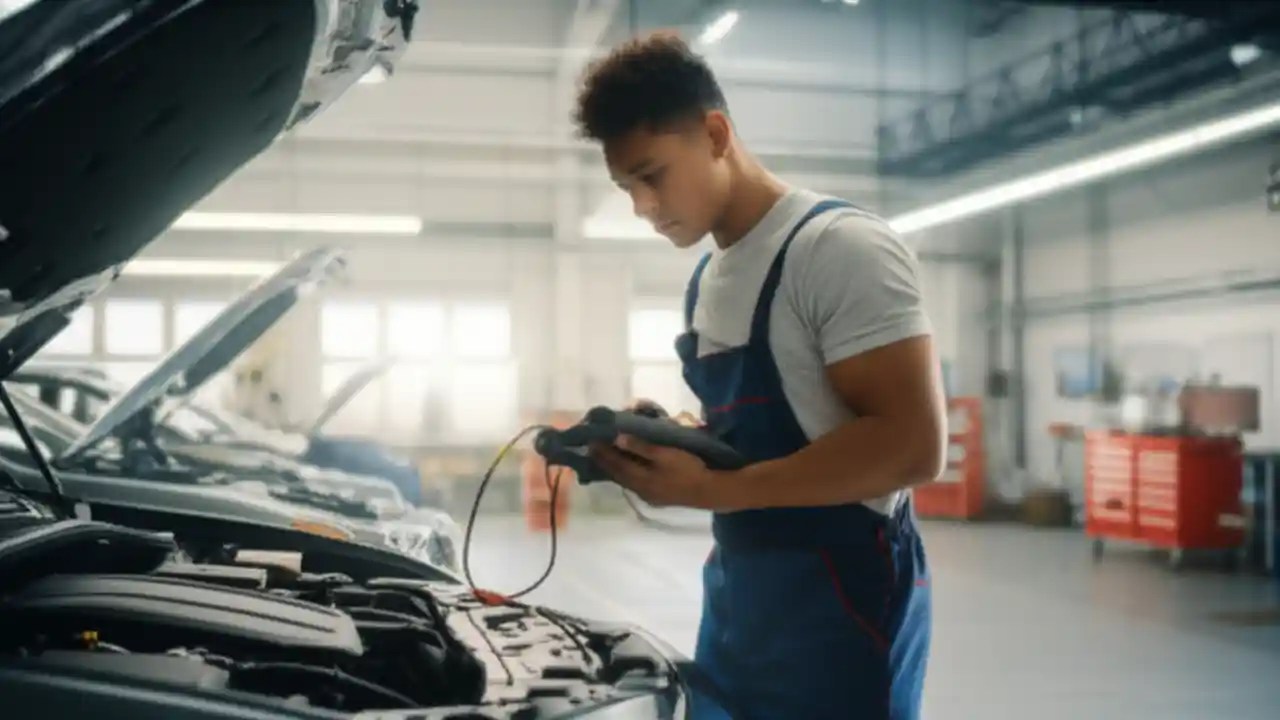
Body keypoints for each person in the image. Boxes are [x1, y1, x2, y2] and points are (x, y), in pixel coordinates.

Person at [574, 32, 946, 720]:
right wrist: (677, 444)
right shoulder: (710, 280)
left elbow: (912, 447)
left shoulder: (839, 249)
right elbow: (765, 430)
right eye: (626, 187)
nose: (642, 207)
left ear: (716, 134)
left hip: (843, 604)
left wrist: (716, 488)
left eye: (652, 175)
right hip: (742, 596)